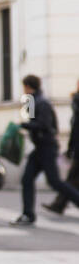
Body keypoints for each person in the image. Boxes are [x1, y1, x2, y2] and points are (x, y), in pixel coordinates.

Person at [11, 75, 79, 225]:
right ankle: (28, 214)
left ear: (28, 86)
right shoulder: (32, 101)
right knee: (27, 179)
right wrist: (25, 113)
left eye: (24, 87)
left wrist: (23, 126)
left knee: (55, 182)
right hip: (39, 148)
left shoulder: (42, 103)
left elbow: (44, 125)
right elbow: (29, 119)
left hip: (47, 147)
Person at [44, 78, 79, 215]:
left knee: (66, 180)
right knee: (72, 179)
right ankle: (59, 203)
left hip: (73, 148)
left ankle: (59, 203)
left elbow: (76, 128)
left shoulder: (33, 100)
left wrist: (71, 148)